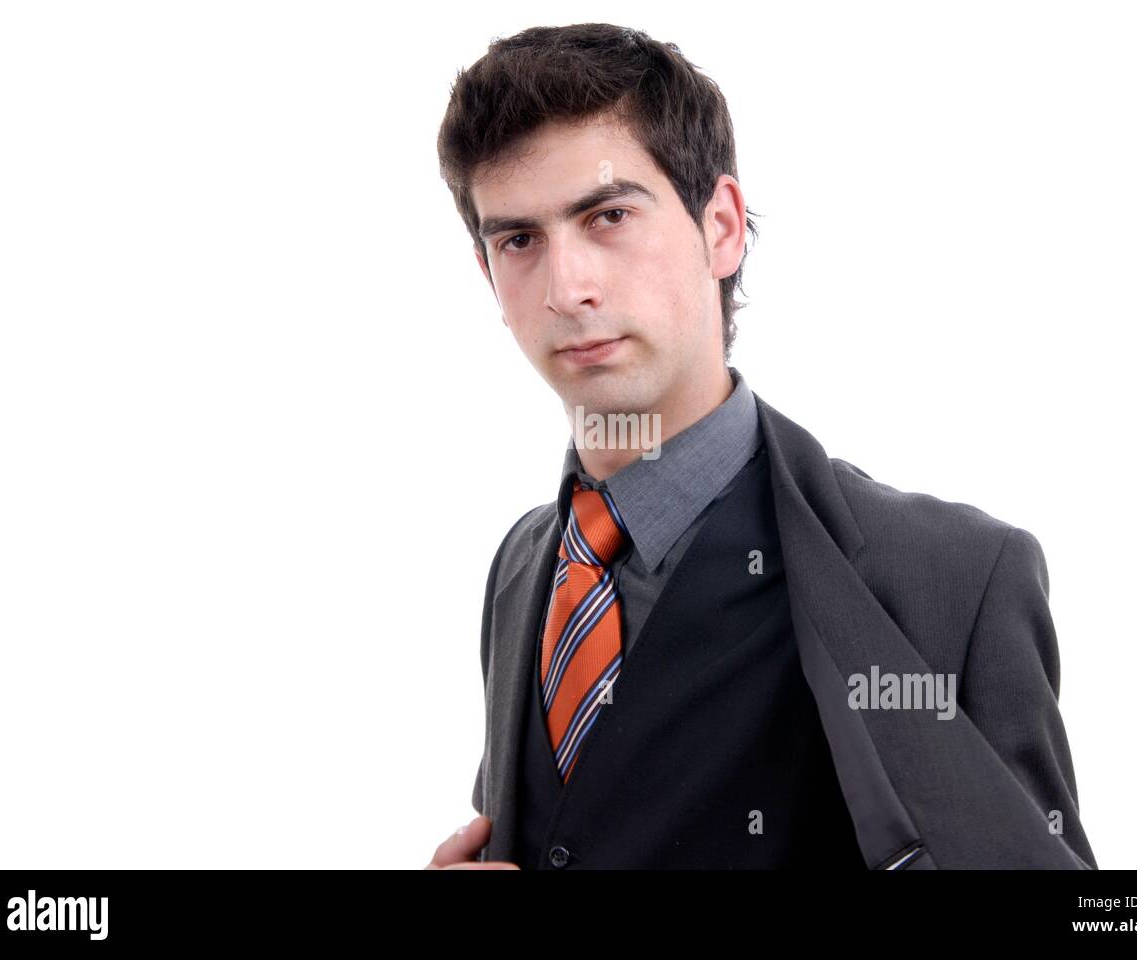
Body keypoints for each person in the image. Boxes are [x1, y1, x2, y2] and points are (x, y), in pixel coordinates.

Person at [426, 22, 1096, 870]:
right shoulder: (523, 570)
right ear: (489, 275)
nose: (567, 289)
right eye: (519, 240)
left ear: (723, 228)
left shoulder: (953, 576)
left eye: (608, 216)